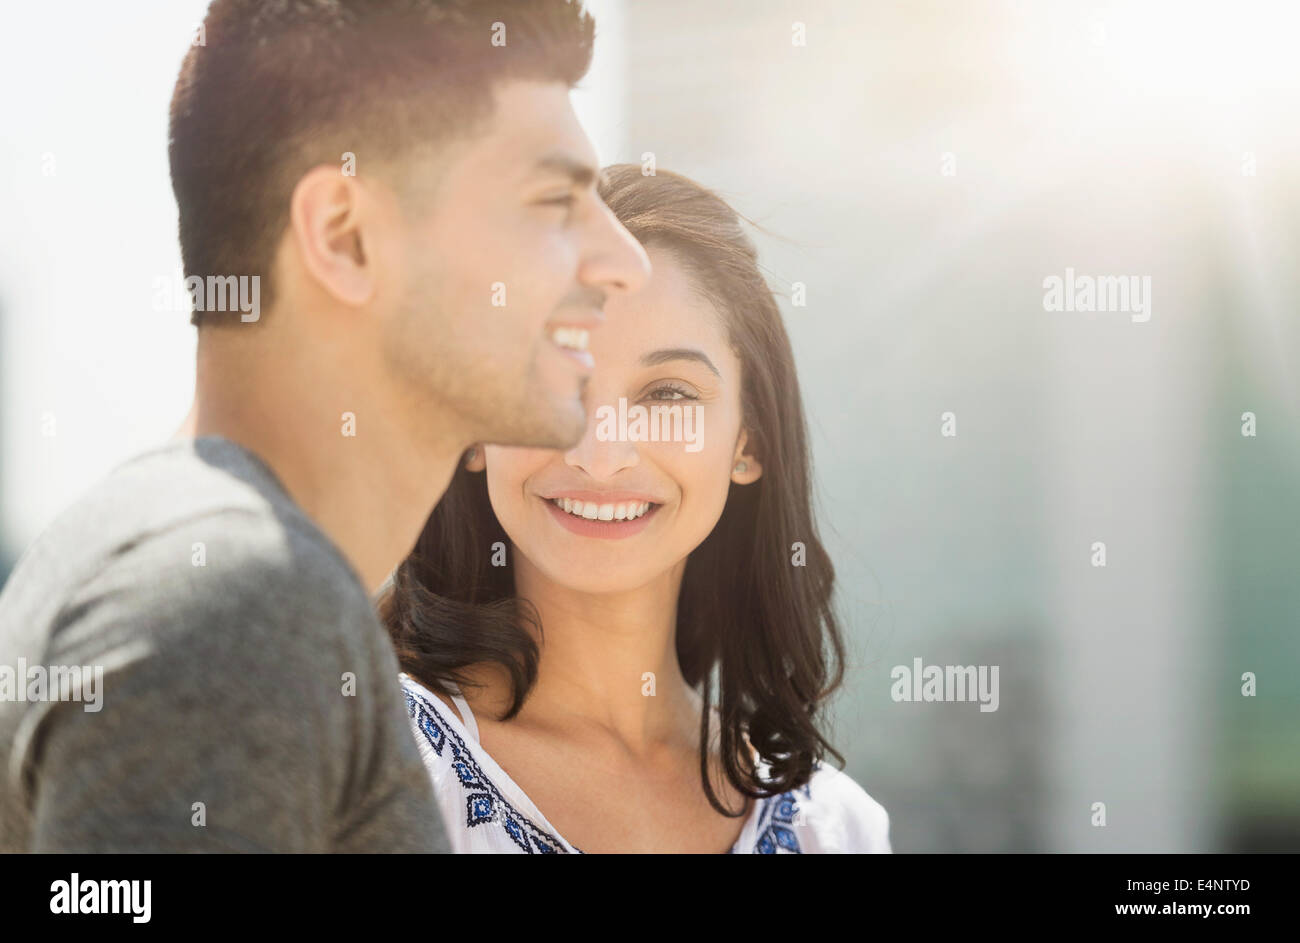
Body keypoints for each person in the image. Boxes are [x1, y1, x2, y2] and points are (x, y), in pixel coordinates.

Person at [0, 0, 648, 853]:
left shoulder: (210, 573)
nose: (624, 261)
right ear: (345, 237)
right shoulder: (235, 605)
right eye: (552, 201)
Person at [382, 165, 891, 853]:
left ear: (750, 441)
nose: (601, 453)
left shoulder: (836, 828)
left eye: (668, 395)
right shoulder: (369, 774)